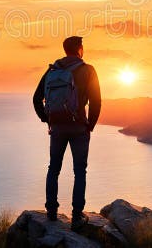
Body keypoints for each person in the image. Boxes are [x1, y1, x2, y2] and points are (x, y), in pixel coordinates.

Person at [32, 35, 101, 231]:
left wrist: (48, 119)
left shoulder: (52, 70)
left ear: (65, 50)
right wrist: (90, 125)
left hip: (57, 128)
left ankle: (51, 212)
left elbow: (36, 99)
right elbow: (96, 101)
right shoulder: (88, 70)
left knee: (54, 168)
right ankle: (77, 216)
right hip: (79, 127)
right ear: (79, 49)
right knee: (79, 171)